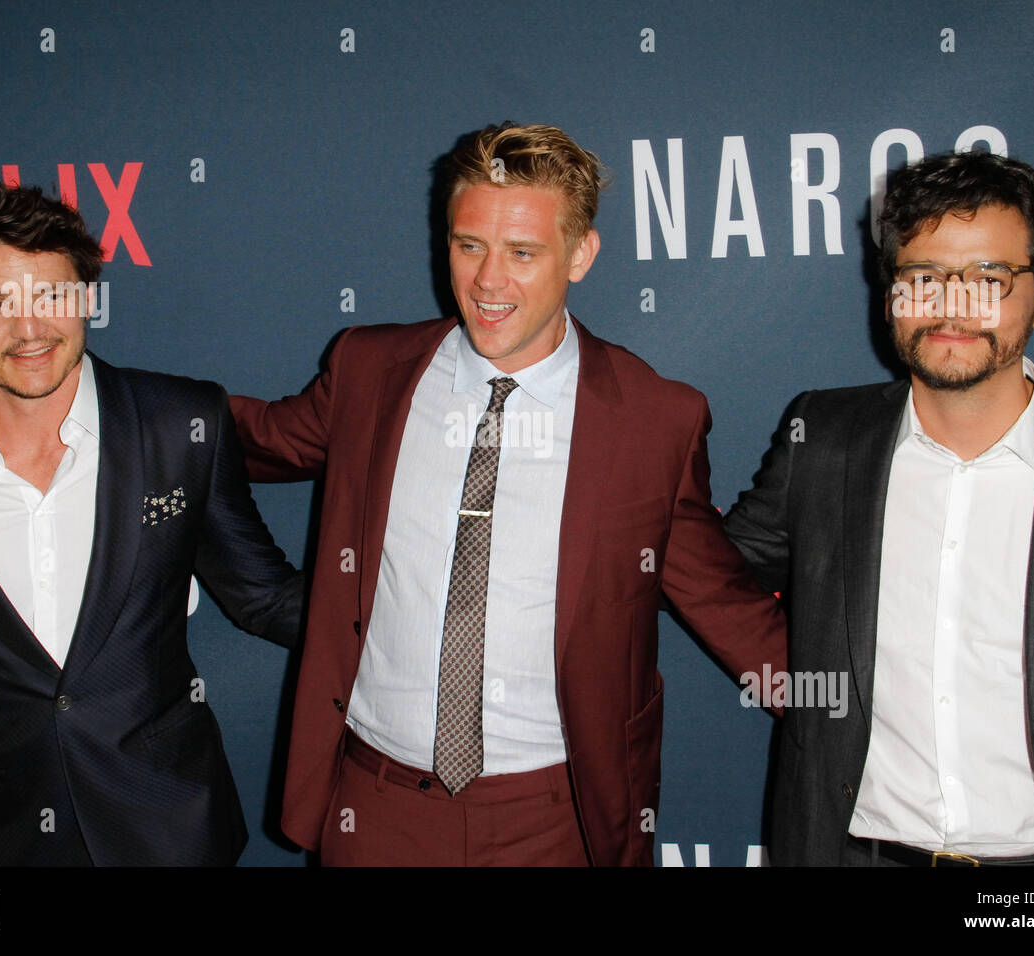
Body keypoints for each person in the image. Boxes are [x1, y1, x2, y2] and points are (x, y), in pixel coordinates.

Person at [231, 122, 786, 866]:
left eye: (523, 253)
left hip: (554, 824)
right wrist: (90, 395)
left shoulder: (654, 421)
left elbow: (728, 609)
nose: (489, 282)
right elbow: (252, 437)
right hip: (375, 809)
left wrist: (862, 714)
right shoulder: (370, 372)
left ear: (581, 254)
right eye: (469, 246)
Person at [0, 171, 306, 866]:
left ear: (89, 296)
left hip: (168, 831)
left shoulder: (180, 424)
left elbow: (264, 597)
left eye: (52, 295)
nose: (29, 329)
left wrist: (430, 626)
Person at [723, 150, 1034, 866]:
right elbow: (707, 571)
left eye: (990, 277)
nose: (951, 306)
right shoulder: (824, 443)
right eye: (922, 277)